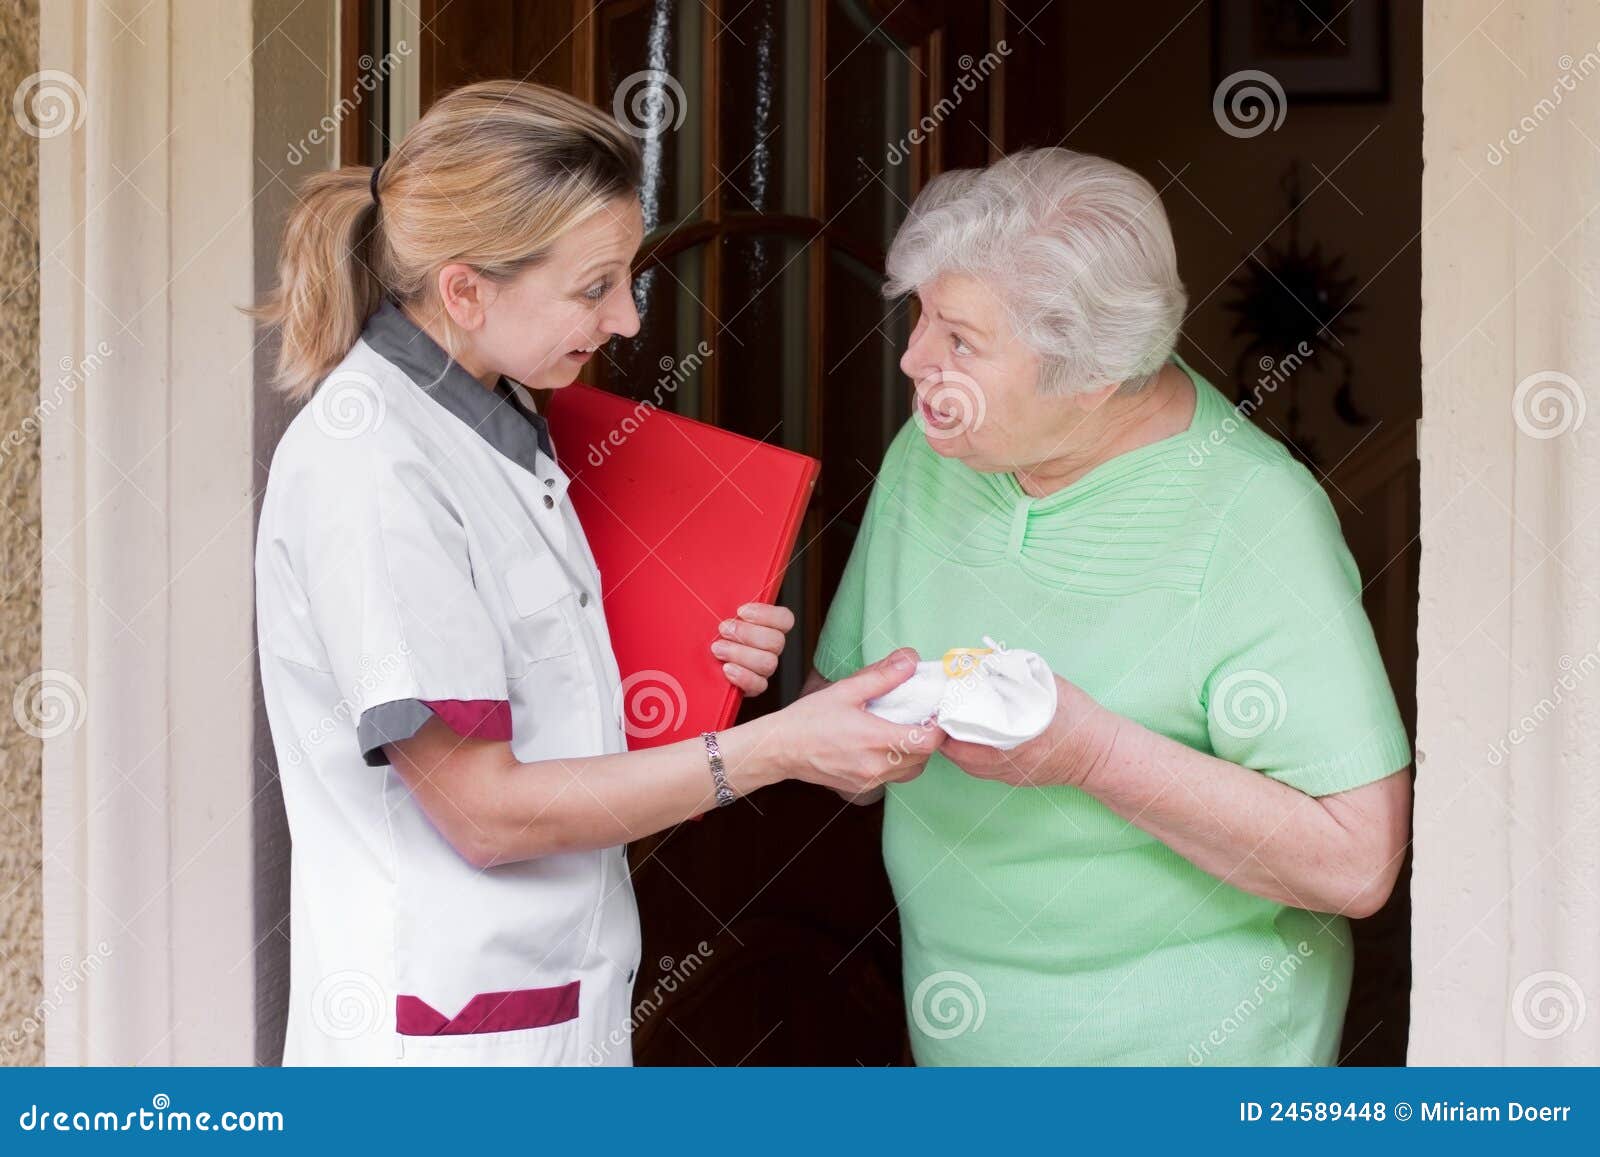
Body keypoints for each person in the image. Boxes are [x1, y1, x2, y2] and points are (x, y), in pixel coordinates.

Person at [253, 80, 941, 1066]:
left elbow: (538, 693)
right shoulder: (372, 465)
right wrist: (777, 751)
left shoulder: (503, 417)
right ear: (464, 290)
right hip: (446, 1037)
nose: (624, 318)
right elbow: (484, 812)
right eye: (594, 285)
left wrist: (695, 669)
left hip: (549, 1005)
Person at [809, 148, 1413, 1065]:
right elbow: (841, 726)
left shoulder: (1254, 513)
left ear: (1093, 373)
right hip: (967, 1033)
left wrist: (1089, 752)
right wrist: (815, 732)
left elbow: (1356, 862)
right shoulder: (931, 457)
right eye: (922, 314)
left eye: (961, 338)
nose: (915, 356)